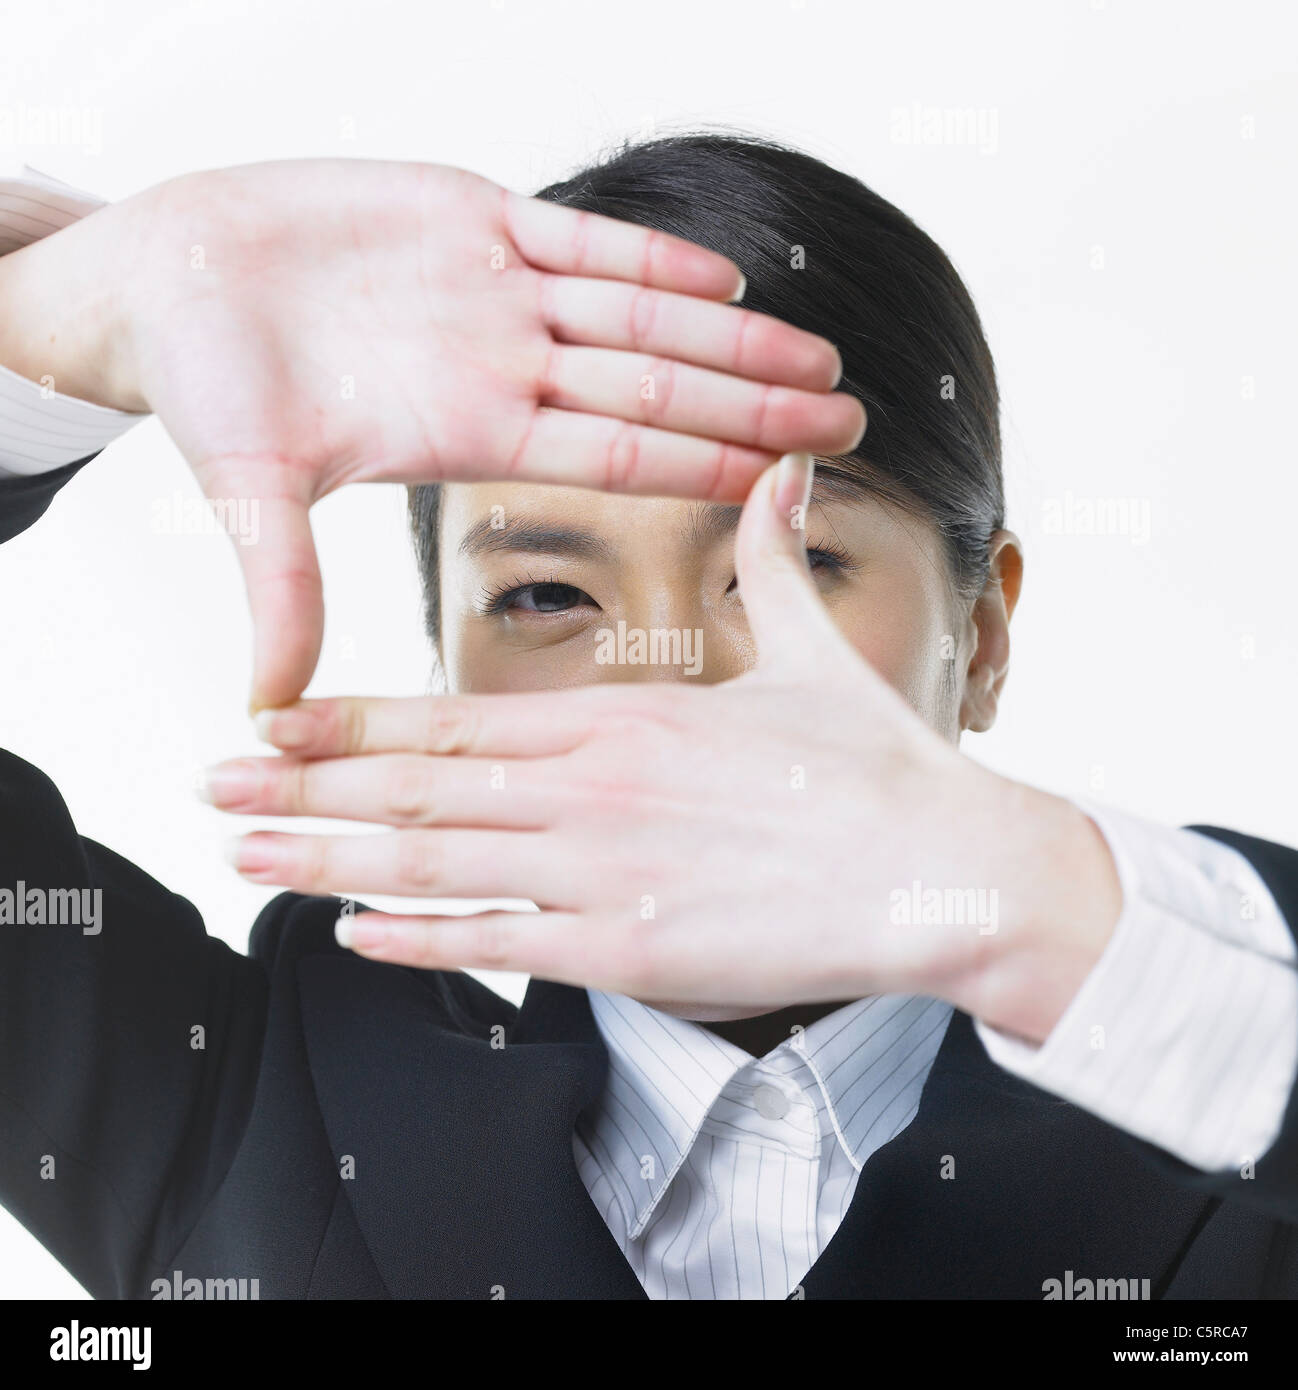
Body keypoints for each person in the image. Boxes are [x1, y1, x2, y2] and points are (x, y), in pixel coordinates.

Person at [1, 134, 1295, 1301]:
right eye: (547, 592)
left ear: (983, 638)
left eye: (792, 571)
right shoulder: (261, 1107)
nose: (664, 681)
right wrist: (68, 315)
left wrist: (1042, 906)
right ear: (446, 658)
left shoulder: (1224, 1123)